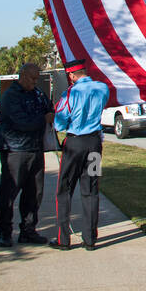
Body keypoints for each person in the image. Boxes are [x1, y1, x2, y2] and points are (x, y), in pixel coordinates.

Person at [0, 62, 53, 247]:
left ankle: (28, 229)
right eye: (32, 78)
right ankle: (5, 231)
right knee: (9, 193)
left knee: (34, 192)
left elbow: (49, 108)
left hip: (35, 148)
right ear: (22, 76)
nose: (35, 82)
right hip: (15, 150)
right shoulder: (11, 96)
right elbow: (22, 123)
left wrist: (49, 114)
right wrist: (43, 119)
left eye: (37, 78)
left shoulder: (37, 94)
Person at [51, 58, 108, 250]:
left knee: (65, 189)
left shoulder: (70, 93)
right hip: (94, 143)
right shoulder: (102, 88)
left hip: (74, 143)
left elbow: (59, 123)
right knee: (91, 189)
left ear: (71, 75)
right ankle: (90, 238)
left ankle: (63, 239)